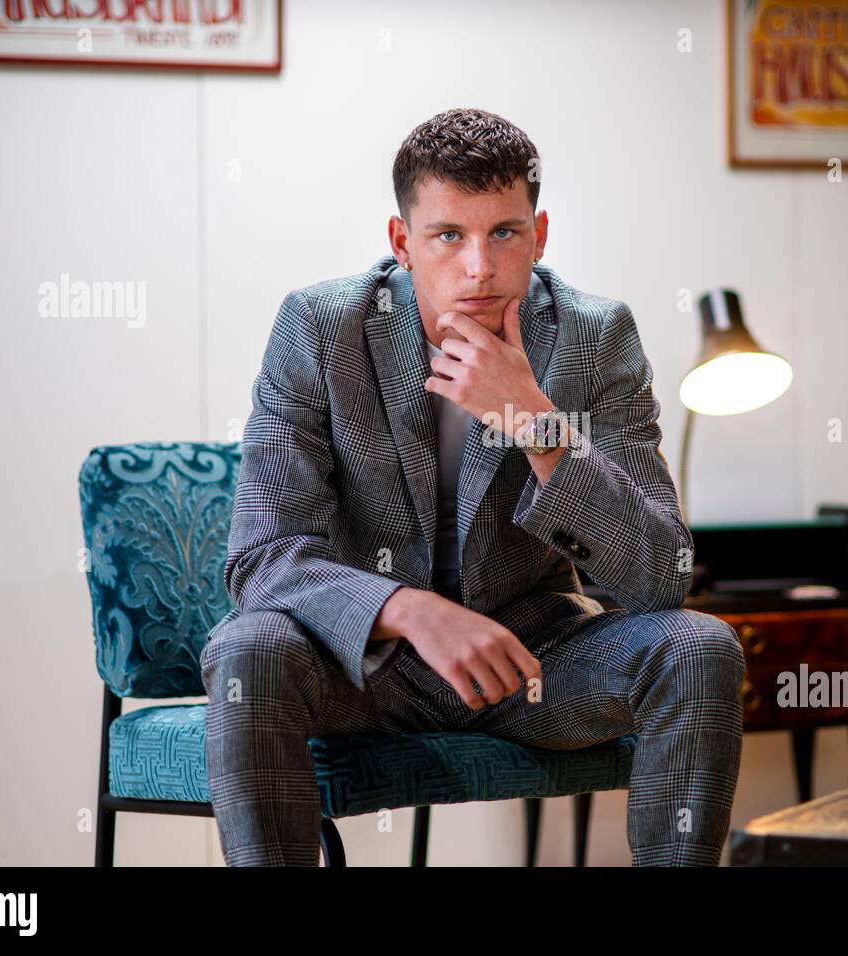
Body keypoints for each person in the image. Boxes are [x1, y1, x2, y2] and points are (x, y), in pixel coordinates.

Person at [200, 107, 746, 866]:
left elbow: (663, 579)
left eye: (504, 233)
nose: (480, 268)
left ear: (540, 233)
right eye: (449, 236)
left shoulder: (595, 336)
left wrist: (537, 423)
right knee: (249, 647)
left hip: (528, 664)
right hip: (369, 667)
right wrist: (409, 611)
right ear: (402, 242)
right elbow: (260, 558)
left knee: (699, 649)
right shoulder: (319, 328)